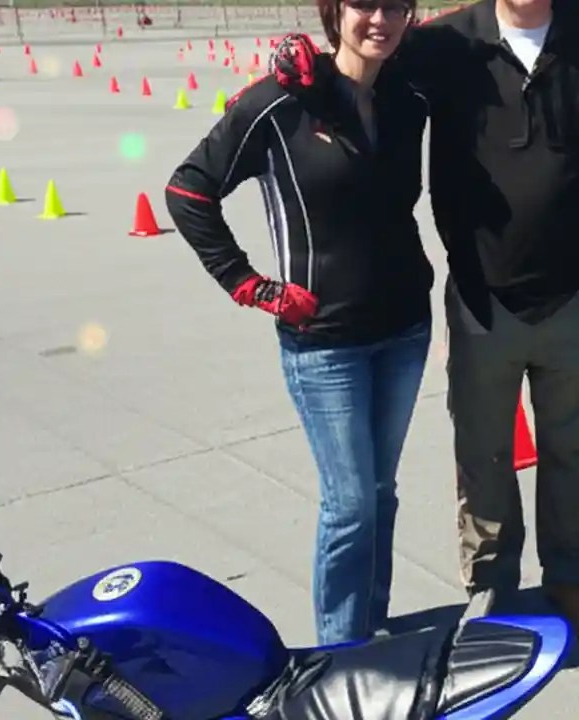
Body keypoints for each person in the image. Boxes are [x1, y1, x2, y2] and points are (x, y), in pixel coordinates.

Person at [273, 0, 579, 641]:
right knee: (483, 455)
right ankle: (491, 590)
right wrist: (302, 66)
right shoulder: (442, 43)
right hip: (482, 296)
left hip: (577, 292)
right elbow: (362, 63)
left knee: (575, 450)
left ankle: (569, 577)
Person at [163, 0, 433, 647]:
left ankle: (372, 621)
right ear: (333, 11)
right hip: (325, 345)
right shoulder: (282, 101)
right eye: (364, 4)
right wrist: (247, 283)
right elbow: (188, 190)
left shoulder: (407, 96)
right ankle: (339, 652)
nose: (381, 18)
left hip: (402, 330)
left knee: (380, 491)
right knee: (350, 504)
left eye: (396, 5)